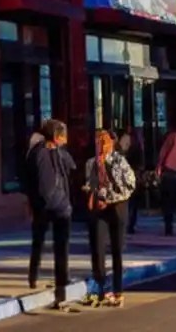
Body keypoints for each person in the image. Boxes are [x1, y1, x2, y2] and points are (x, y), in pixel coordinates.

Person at [23, 119, 77, 312]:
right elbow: (45, 182)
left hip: (46, 205)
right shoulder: (43, 154)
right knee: (56, 245)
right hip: (54, 206)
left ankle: (36, 276)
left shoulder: (44, 152)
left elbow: (71, 167)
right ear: (56, 136)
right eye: (63, 136)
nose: (65, 140)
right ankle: (55, 280)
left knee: (41, 242)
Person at [83, 130, 136, 307]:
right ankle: (100, 286)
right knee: (97, 247)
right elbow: (89, 184)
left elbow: (129, 185)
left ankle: (118, 289)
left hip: (117, 207)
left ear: (111, 143)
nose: (101, 146)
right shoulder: (91, 163)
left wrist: (109, 197)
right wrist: (92, 194)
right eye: (98, 142)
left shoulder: (119, 161)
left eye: (104, 142)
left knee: (116, 250)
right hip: (99, 209)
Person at [119, 129, 145, 234]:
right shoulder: (139, 148)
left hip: (128, 176)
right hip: (134, 176)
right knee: (133, 203)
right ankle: (130, 225)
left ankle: (127, 224)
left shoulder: (128, 149)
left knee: (128, 202)